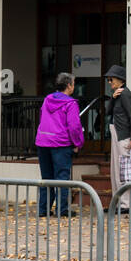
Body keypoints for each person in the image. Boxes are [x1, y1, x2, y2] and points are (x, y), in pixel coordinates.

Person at [34, 72, 84, 216]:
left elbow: (43, 117)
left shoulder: (47, 100)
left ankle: (43, 209)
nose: (74, 86)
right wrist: (78, 143)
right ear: (68, 85)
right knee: (62, 177)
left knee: (46, 178)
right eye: (73, 84)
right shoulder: (71, 103)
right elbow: (74, 126)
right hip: (60, 144)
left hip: (43, 142)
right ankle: (62, 210)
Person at [105, 64, 131, 212]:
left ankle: (127, 205)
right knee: (115, 171)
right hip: (116, 134)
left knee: (124, 171)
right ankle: (118, 204)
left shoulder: (125, 94)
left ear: (120, 80)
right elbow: (107, 112)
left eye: (111, 79)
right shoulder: (118, 95)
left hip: (123, 136)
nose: (109, 82)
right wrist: (112, 98)